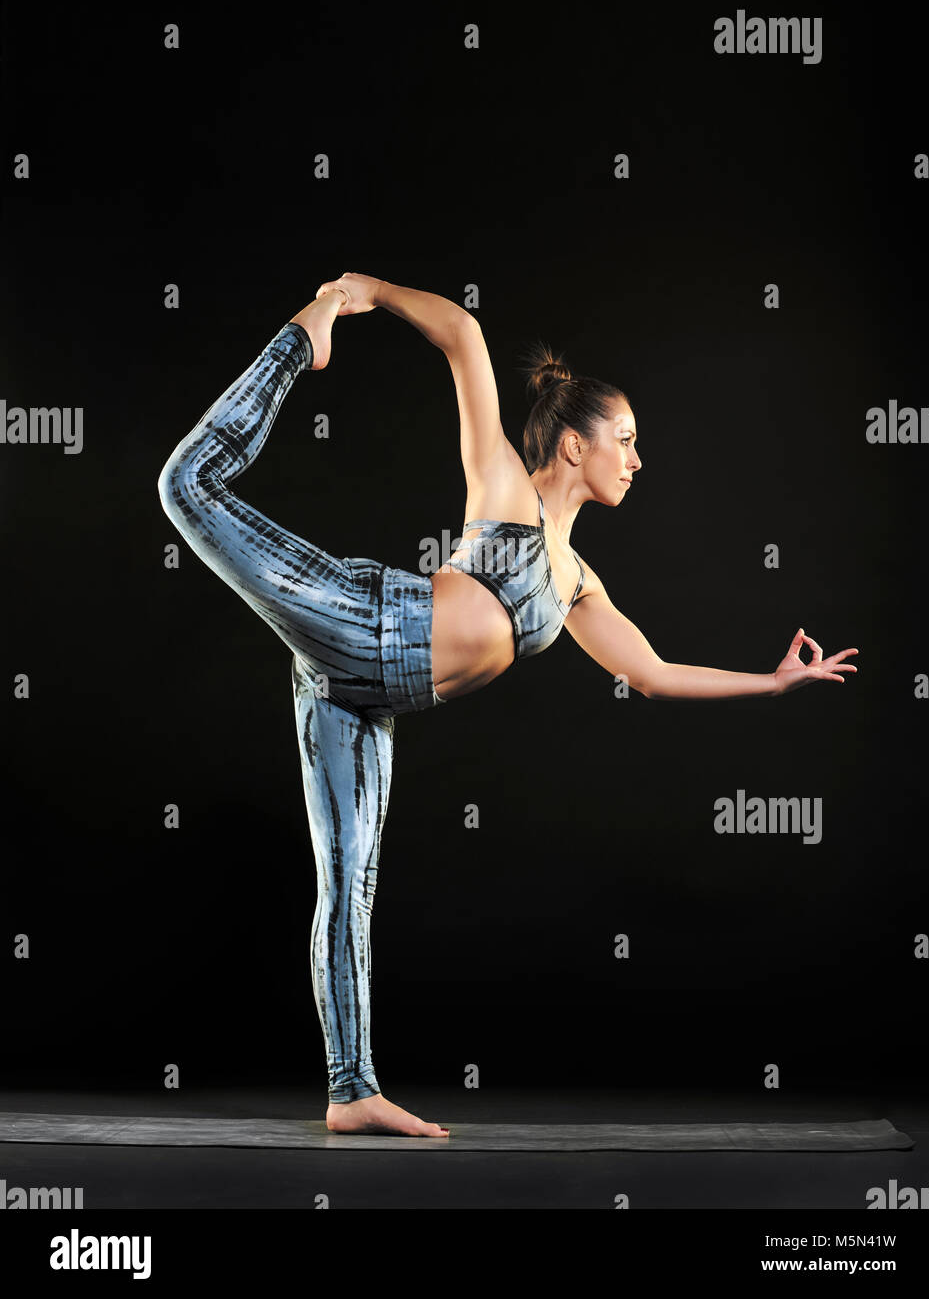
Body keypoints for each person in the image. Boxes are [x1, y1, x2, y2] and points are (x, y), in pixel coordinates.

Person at [158, 274, 858, 1137]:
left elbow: (653, 672)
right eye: (626, 441)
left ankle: (351, 1092)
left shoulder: (575, 583)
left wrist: (775, 681)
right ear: (573, 446)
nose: (637, 460)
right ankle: (300, 338)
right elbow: (462, 333)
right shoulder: (504, 489)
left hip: (359, 699)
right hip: (362, 619)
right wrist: (358, 294)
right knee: (186, 486)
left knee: (349, 886)